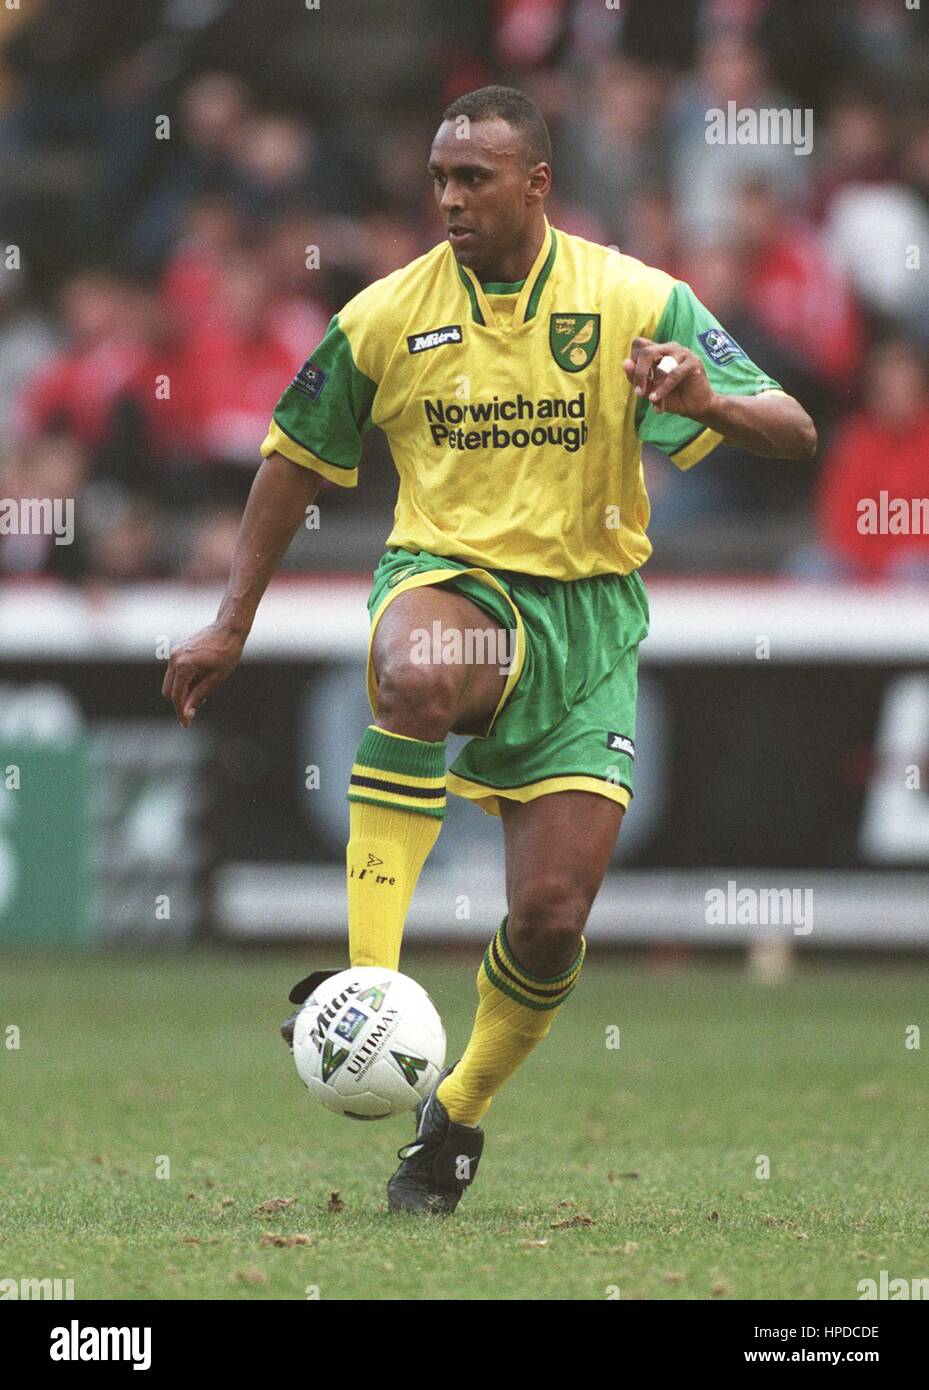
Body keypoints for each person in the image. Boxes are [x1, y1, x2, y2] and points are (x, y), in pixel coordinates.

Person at [162, 86, 816, 1216]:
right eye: (438, 179)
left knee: (550, 917)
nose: (450, 198)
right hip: (448, 583)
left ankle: (451, 1116)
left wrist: (705, 396)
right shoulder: (383, 316)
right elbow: (290, 460)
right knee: (415, 672)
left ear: (536, 183)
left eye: (474, 178)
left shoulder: (630, 298)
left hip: (591, 622)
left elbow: (794, 429)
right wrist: (232, 619)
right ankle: (369, 971)